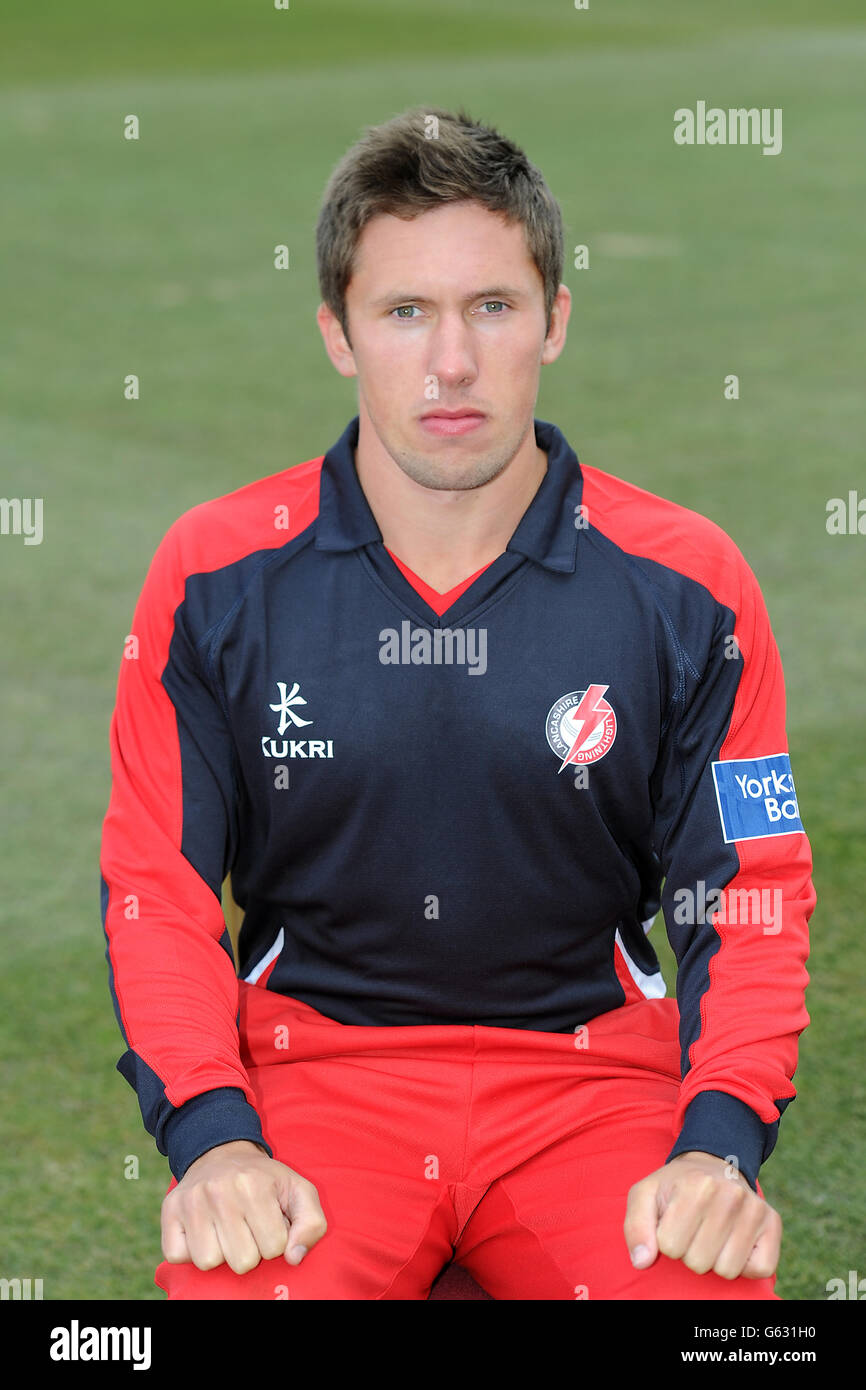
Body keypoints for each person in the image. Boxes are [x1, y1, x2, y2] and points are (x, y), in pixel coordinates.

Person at [100, 106, 815, 1300]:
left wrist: (718, 1138)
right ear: (336, 333)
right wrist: (215, 1134)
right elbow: (154, 889)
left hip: (592, 1083)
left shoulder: (692, 584)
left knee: (714, 1313)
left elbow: (749, 887)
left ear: (554, 321)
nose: (450, 363)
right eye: (403, 313)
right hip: (313, 1074)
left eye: (491, 306)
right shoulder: (213, 574)